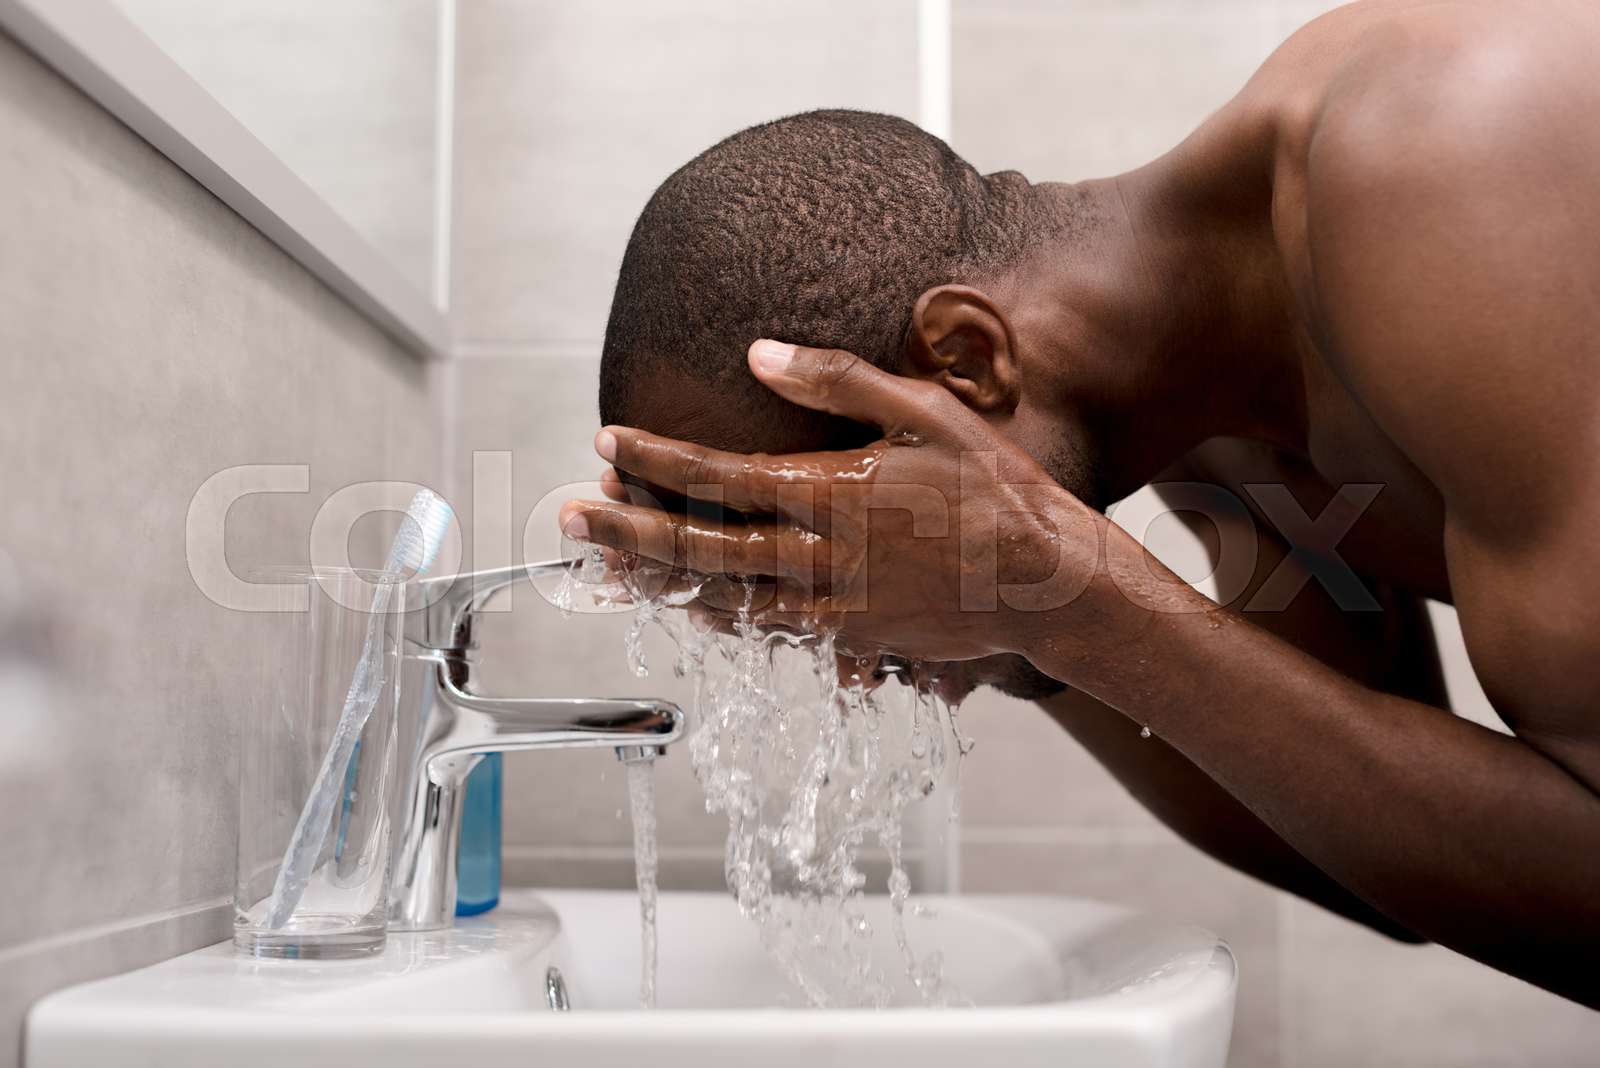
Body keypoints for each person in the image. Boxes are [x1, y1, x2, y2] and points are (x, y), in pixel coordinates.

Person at [559, 0, 1599, 1005]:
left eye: (847, 530)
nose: (856, 628)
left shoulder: (1435, 150)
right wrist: (1023, 627)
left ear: (965, 356)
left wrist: (1055, 601)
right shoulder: (1216, 424)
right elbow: (1400, 860)